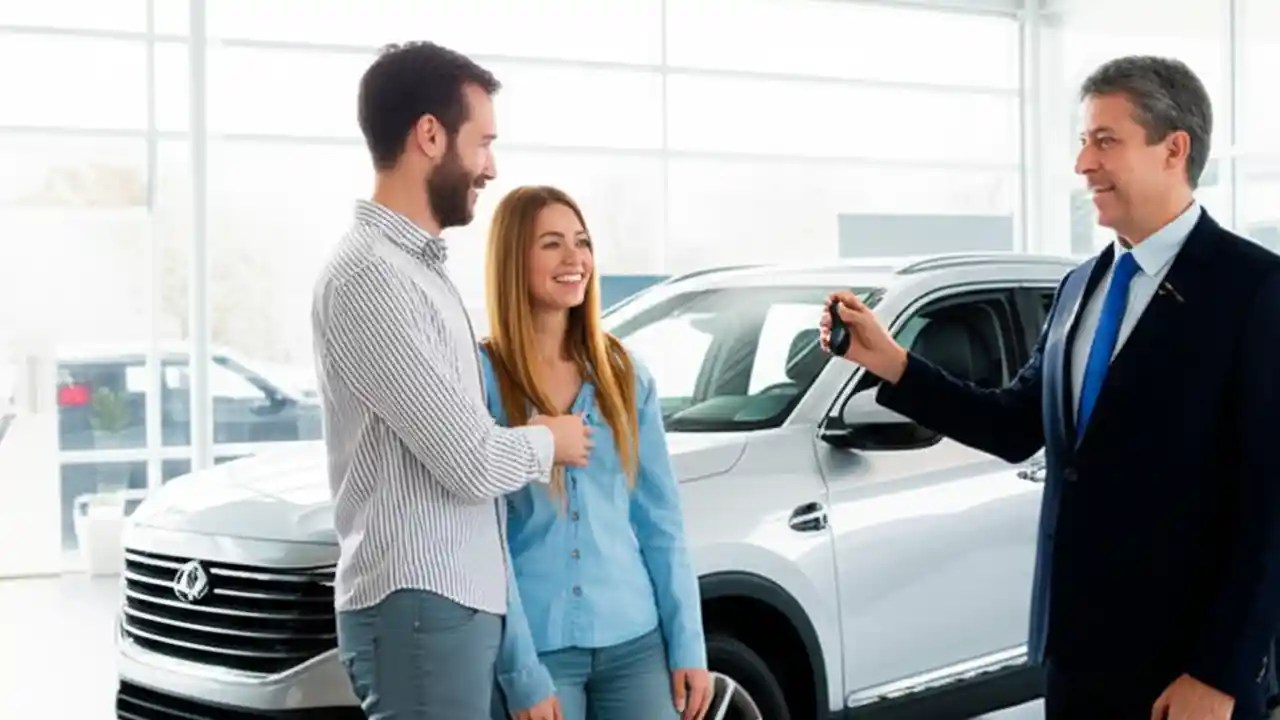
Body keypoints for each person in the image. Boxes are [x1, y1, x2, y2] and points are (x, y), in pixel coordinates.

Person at [821, 55, 1280, 720]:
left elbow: (1269, 507)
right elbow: (1014, 425)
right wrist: (893, 362)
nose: (1082, 166)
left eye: (1105, 141)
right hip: (1076, 655)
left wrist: (1221, 673)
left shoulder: (1255, 289)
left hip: (1189, 672)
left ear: (1173, 149)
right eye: (1082, 142)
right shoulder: (1079, 288)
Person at [311, 43, 592, 719]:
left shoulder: (417, 271)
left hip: (443, 607)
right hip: (419, 607)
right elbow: (469, 460)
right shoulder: (371, 276)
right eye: (483, 142)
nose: (490, 167)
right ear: (430, 135)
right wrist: (549, 439)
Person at [477, 185, 712, 720]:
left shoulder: (626, 376)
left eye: (581, 242)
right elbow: (482, 543)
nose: (573, 259)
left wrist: (687, 644)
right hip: (538, 650)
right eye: (551, 244)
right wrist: (520, 672)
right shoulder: (481, 380)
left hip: (636, 642)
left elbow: (661, 522)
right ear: (513, 259)